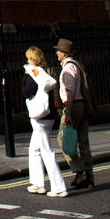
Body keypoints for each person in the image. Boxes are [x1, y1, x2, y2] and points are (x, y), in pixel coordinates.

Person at [21, 46, 67, 196]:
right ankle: (38, 183)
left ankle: (59, 188)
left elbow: (26, 92)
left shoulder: (33, 74)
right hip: (48, 115)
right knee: (34, 149)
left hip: (39, 118)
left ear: (33, 60)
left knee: (47, 151)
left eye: (29, 58)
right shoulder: (42, 73)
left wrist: (26, 77)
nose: (27, 60)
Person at [55, 38, 94, 189]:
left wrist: (68, 112)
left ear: (64, 53)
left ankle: (80, 170)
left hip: (73, 107)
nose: (57, 53)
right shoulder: (77, 65)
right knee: (83, 142)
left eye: (58, 51)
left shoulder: (67, 69)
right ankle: (89, 177)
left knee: (64, 140)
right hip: (83, 105)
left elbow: (70, 92)